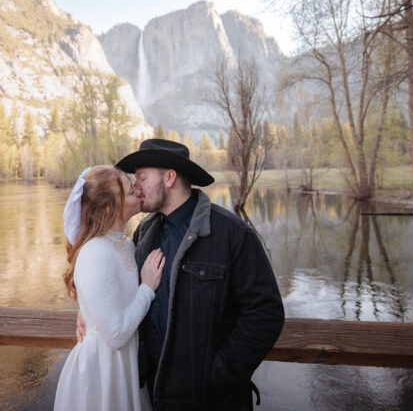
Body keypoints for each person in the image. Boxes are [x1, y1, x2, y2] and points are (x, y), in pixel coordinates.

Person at [79, 138, 285, 410]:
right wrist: (88, 310)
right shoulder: (142, 234)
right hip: (153, 396)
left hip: (212, 400)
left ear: (170, 178)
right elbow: (113, 282)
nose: (136, 186)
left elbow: (266, 314)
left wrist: (218, 373)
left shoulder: (231, 234)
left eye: (141, 177)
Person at [55, 165, 166, 411]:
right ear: (110, 208)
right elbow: (115, 334)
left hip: (127, 363)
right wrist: (147, 289)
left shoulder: (126, 245)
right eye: (128, 192)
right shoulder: (95, 252)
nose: (137, 192)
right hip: (103, 370)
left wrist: (88, 311)